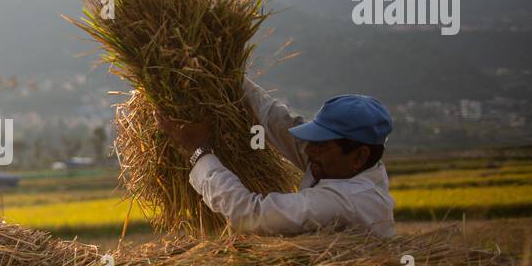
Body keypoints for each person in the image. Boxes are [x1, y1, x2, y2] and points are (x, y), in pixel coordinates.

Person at [159, 79, 395, 237]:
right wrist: (228, 74)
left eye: (321, 145)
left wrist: (198, 151)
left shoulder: (348, 200)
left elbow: (252, 216)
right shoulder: (347, 163)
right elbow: (277, 122)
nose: (309, 150)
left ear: (359, 156)